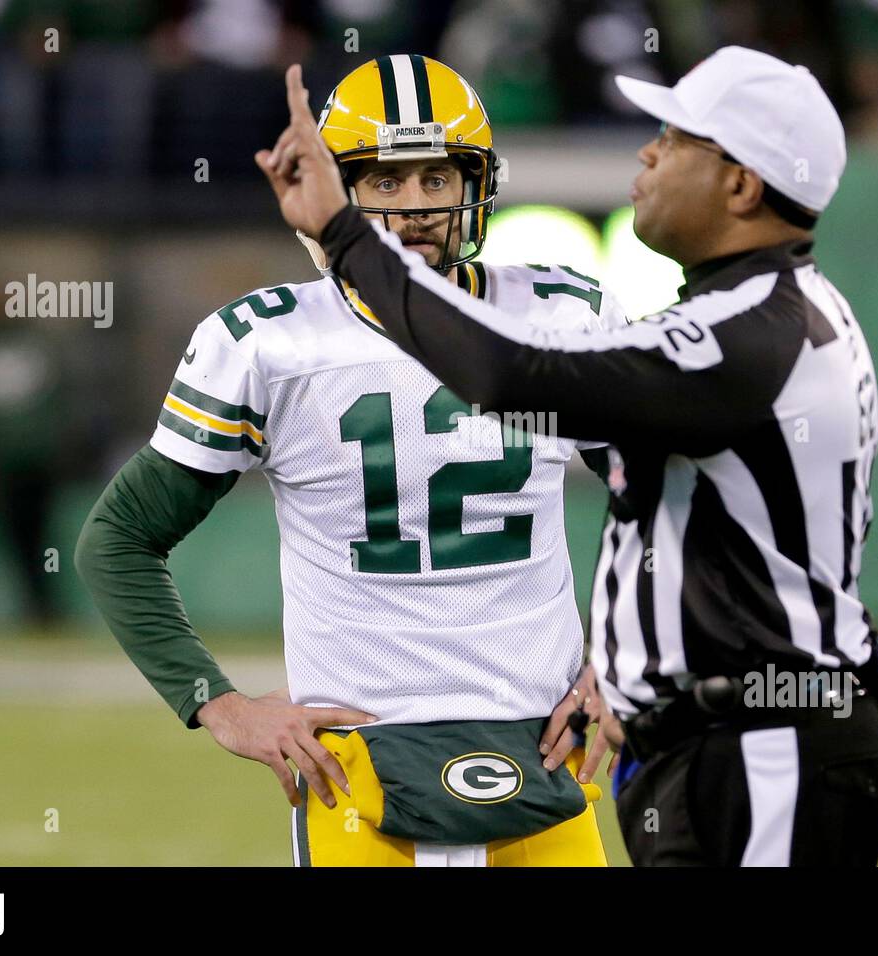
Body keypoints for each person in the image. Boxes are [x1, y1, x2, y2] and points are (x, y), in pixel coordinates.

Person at [265, 46, 878, 866]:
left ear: (741, 185)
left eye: (674, 140)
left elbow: (509, 372)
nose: (646, 153)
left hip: (761, 742)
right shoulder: (774, 311)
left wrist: (346, 237)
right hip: (731, 737)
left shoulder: (746, 333)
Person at [75, 55, 628, 867]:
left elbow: (672, 494)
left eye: (437, 179)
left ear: (475, 185)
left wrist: (624, 663)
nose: (414, 208)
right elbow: (117, 538)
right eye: (385, 180)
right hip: (357, 765)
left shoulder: (560, 315)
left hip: (545, 755)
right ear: (338, 188)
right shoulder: (268, 344)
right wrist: (218, 705)